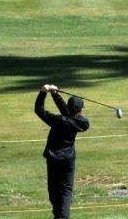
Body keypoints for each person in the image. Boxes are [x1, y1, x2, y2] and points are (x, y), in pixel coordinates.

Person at [34, 84, 89, 219]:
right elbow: (68, 114)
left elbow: (39, 110)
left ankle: (61, 216)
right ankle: (60, 216)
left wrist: (43, 93)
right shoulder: (82, 123)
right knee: (66, 191)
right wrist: (55, 95)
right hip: (68, 160)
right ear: (80, 111)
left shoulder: (57, 120)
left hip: (53, 159)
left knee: (54, 190)